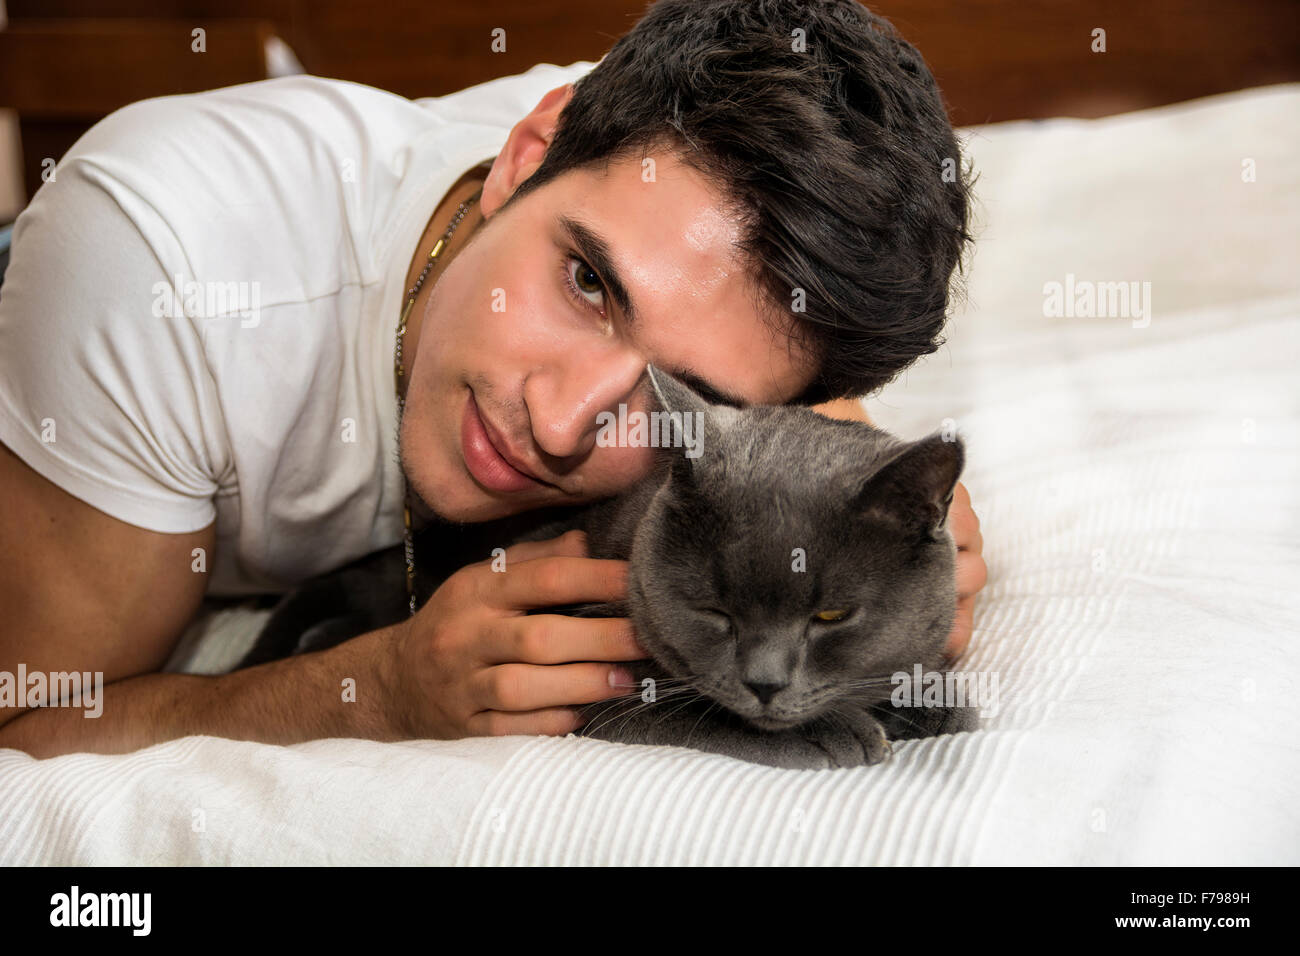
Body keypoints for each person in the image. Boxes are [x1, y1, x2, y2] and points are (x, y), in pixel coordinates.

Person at [0, 0, 984, 757]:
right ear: (525, 155)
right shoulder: (156, 264)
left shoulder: (691, 209)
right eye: (588, 282)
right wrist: (372, 691)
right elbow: (27, 733)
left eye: (693, 395)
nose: (559, 422)